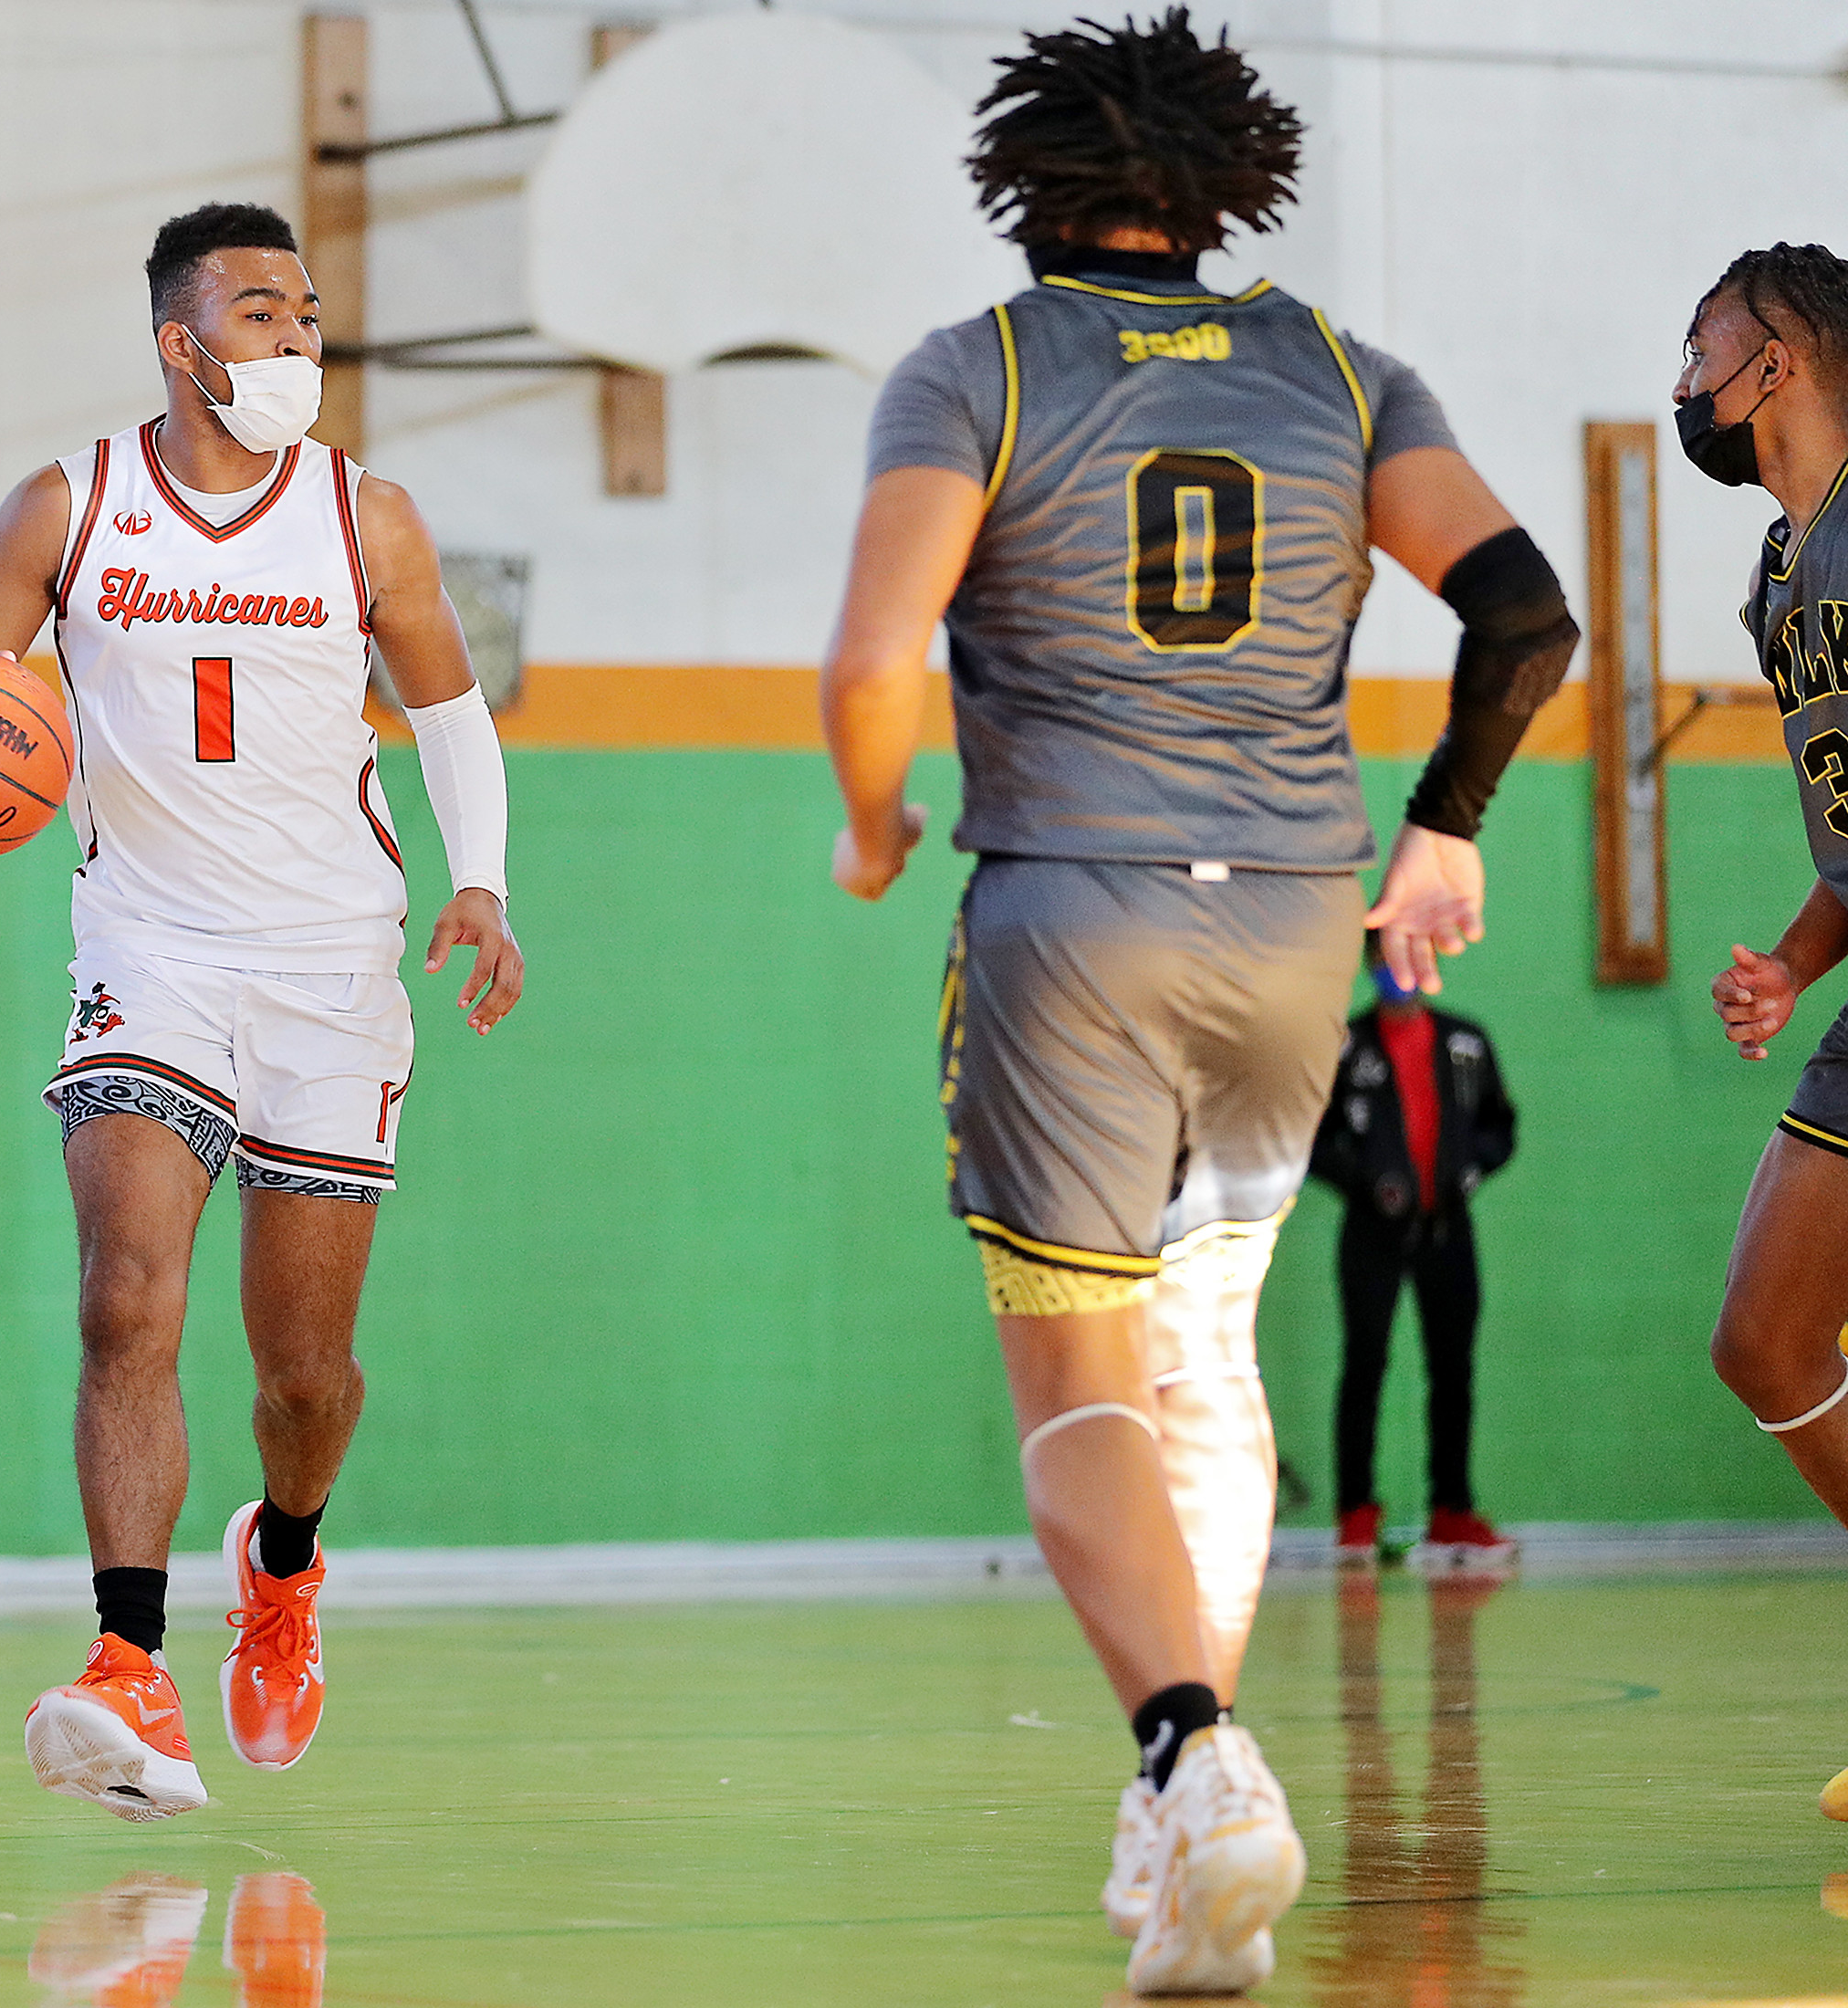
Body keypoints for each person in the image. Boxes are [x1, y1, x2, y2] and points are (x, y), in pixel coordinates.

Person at [819, 10, 1577, 1992]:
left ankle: (1189, 1744)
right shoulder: (1342, 363)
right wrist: (1449, 823)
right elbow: (1524, 611)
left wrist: (873, 817)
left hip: (1075, 909)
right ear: (1224, 177)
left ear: (1031, 177)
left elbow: (872, 656)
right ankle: (1185, 1831)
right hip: (1297, 926)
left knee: (1077, 1385)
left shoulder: (974, 368)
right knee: (1212, 1360)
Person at [0, 202, 523, 1821]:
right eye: (258, 313)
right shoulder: (69, 504)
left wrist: (484, 883)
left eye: (306, 314)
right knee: (125, 1298)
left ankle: (282, 1561)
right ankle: (128, 1659)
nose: (295, 340)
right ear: (181, 342)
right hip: (149, 951)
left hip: (331, 964)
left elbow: (448, 713)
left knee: (304, 1379)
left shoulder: (368, 519)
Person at [1687, 242, 1848, 1821]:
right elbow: (1844, 851)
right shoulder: (1778, 579)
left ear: (1779, 361)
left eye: (1701, 351)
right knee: (1765, 1338)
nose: (1686, 386)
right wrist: (1798, 963)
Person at [1310, 949, 1518, 1567]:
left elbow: (1500, 1128)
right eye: (1384, 959)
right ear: (1371, 963)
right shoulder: (1346, 1046)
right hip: (1373, 1232)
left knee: (1452, 1370)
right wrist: (1367, 1181)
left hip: (1449, 1231)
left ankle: (1452, 1510)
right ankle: (1356, 1513)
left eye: (1409, 957)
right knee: (1365, 1364)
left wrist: (1470, 1171)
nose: (1397, 972)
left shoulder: (1465, 1042)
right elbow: (1314, 1139)